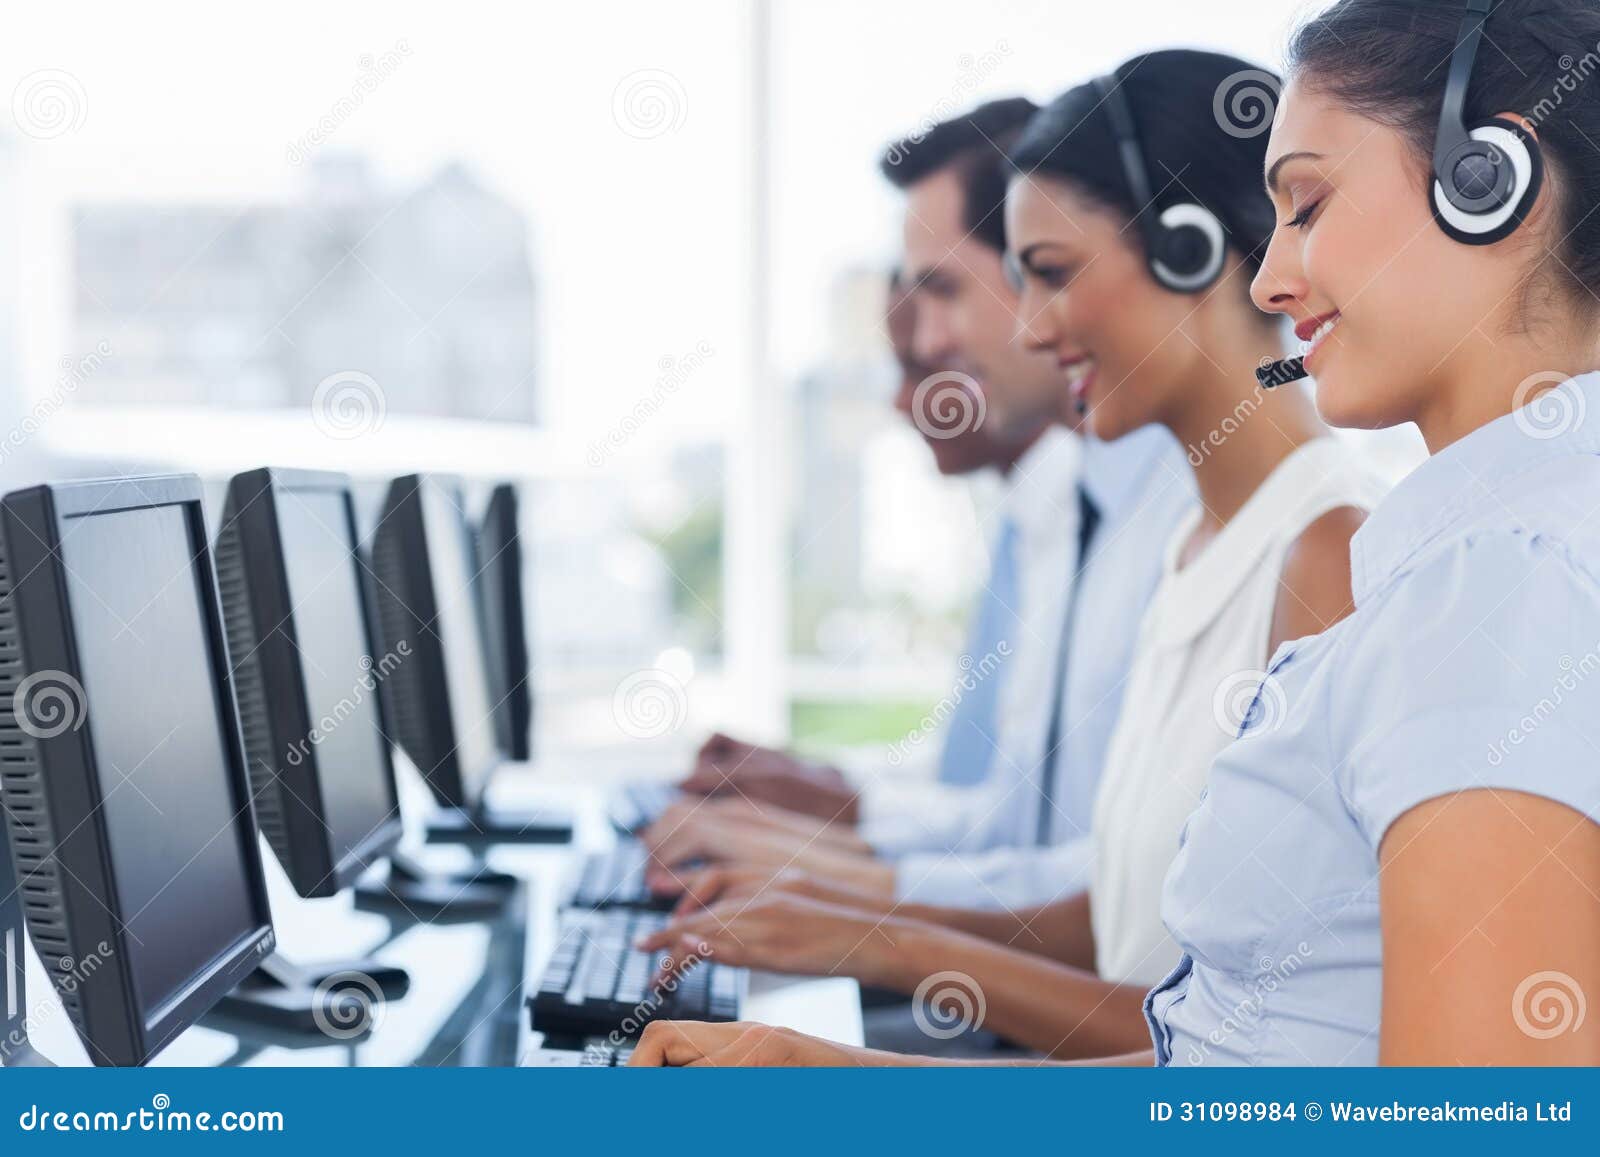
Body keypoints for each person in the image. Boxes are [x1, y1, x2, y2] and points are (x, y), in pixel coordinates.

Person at [631, 0, 1600, 1066]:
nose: (1273, 277)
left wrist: (870, 1011)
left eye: (1308, 203)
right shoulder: (1465, 559)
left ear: (1488, 180)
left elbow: (1468, 1120)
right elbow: (1225, 1055)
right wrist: (841, 1073)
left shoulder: (1498, 577)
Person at [650, 100, 1194, 909]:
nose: (925, 365)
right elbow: (1014, 826)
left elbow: (1127, 913)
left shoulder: (1178, 518)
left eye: (942, 291)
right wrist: (807, 843)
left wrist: (826, 882)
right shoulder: (1081, 506)